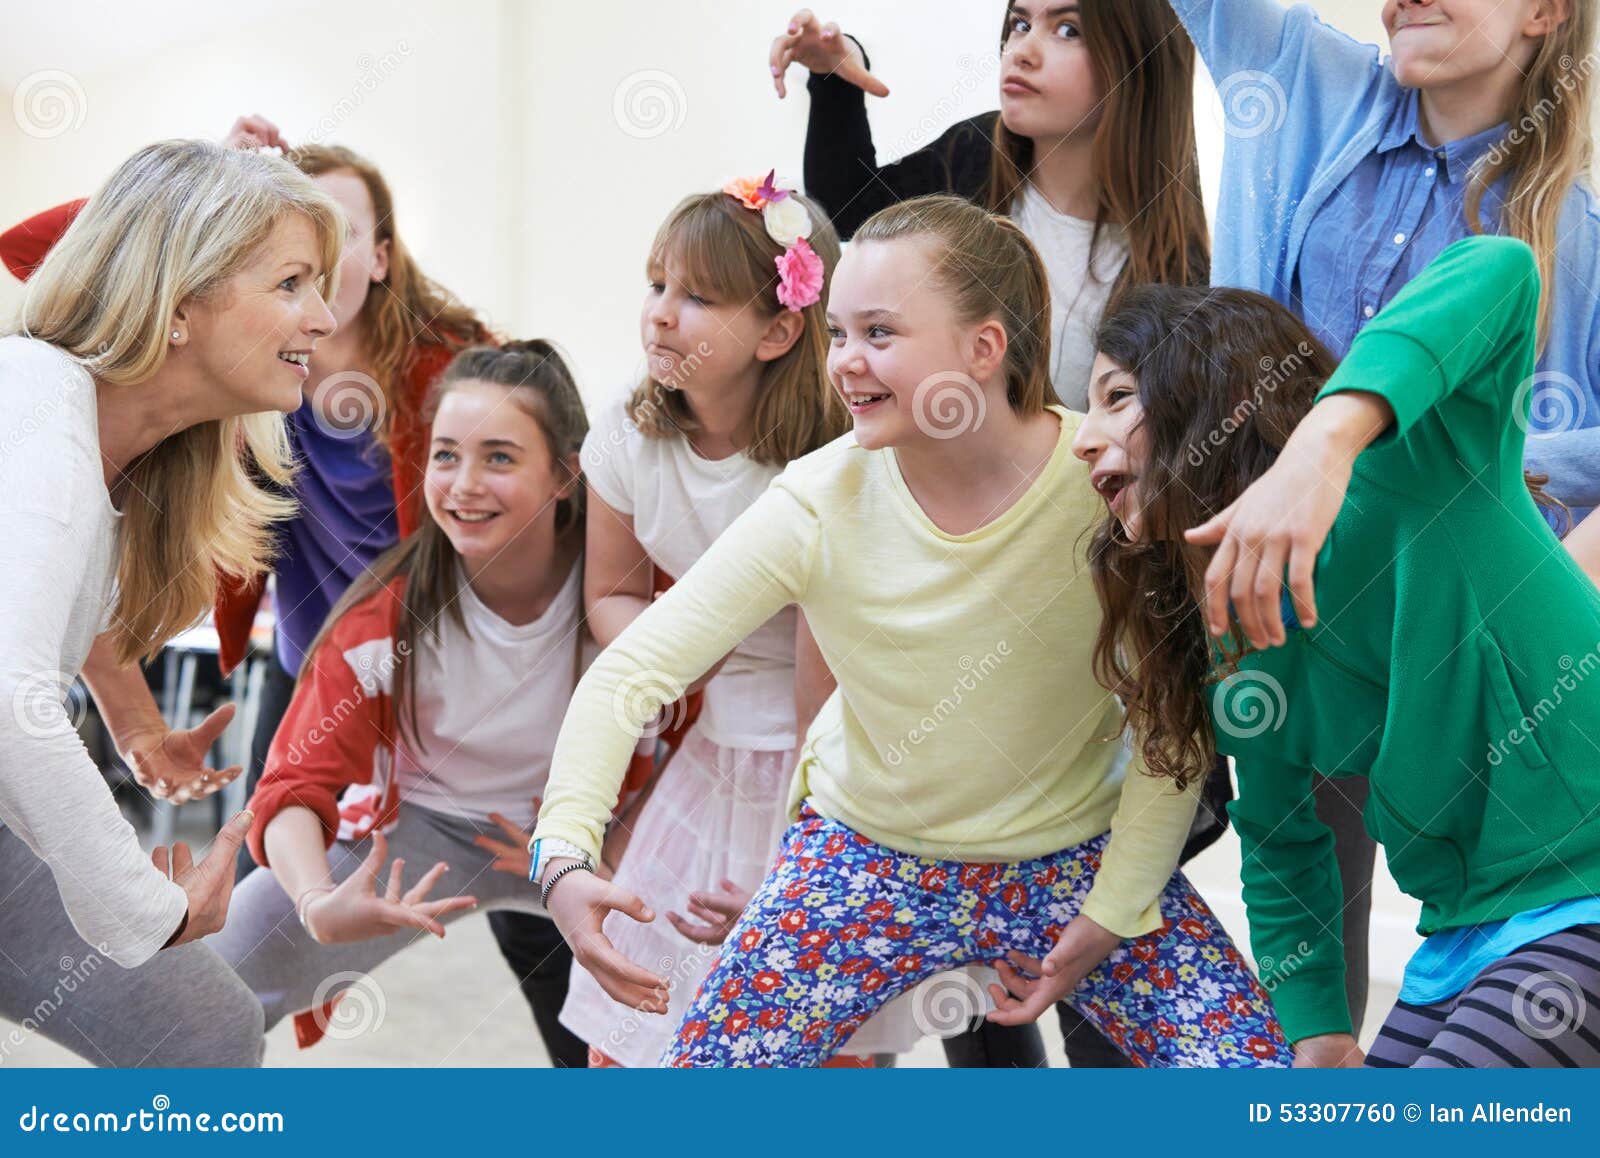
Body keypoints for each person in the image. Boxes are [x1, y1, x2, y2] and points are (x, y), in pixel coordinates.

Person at [532, 194, 1289, 1068]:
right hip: (865, 854)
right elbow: (631, 672)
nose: (846, 362)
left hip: (1073, 854)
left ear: (983, 348)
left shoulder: (1105, 477)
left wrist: (1115, 909)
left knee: (1265, 1094)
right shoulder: (818, 500)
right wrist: (565, 857)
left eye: (880, 333)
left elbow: (1169, 723)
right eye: (838, 333)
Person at [1074, 234, 1600, 1065]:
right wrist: (1317, 1029)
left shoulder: (1420, 466)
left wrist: (1326, 440)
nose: (1083, 436)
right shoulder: (1235, 634)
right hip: (1464, 935)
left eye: (1116, 397)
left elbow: (1500, 270)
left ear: (1212, 397)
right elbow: (1281, 842)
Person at [0, 138, 342, 1065]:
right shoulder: (37, 410)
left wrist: (138, 727)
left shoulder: (105, 446)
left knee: (204, 1030)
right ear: (178, 302)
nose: (322, 316)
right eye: (291, 283)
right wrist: (146, 907)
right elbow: (12, 695)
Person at [207, 342, 591, 1066]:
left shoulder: (619, 593)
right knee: (204, 989)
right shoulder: (385, 615)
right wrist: (317, 900)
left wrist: (599, 851)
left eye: (500, 457)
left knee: (684, 1008)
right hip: (420, 828)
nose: (464, 485)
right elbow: (292, 785)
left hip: (582, 837)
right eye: (446, 455)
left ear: (566, 474)